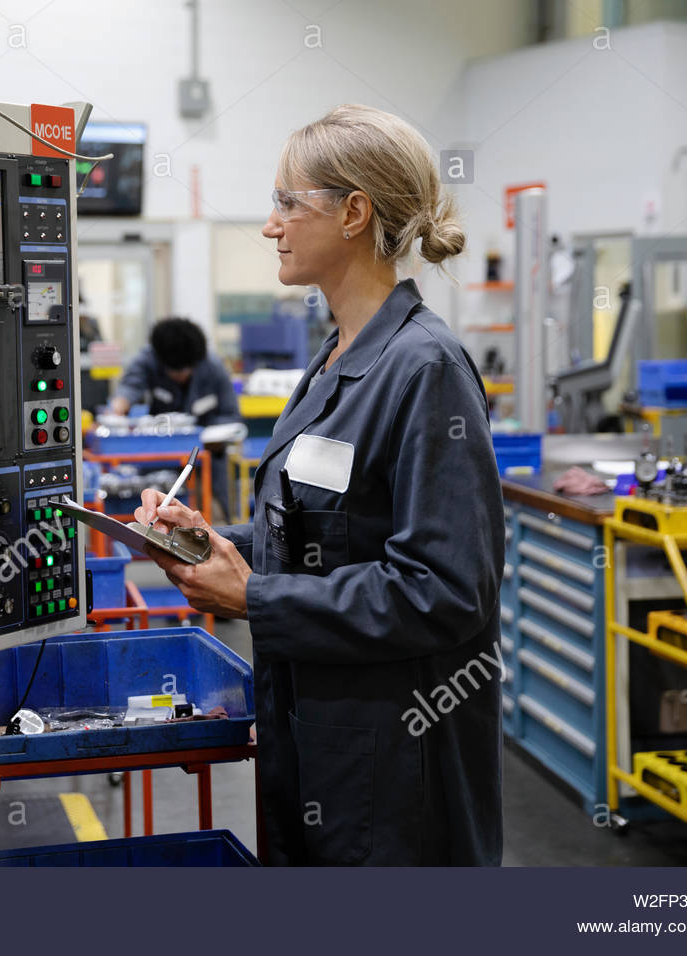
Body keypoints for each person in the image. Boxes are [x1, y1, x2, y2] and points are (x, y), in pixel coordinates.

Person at [136, 104, 505, 865]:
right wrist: (210, 540)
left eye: (286, 202)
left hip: (393, 767)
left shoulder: (424, 370)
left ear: (353, 214)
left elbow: (447, 589)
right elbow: (322, 531)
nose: (270, 226)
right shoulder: (336, 357)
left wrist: (254, 598)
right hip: (316, 737)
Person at [111, 317, 241, 519]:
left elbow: (231, 415)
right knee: (155, 509)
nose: (179, 375)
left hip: (205, 456)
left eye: (184, 370)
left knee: (212, 514)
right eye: (173, 370)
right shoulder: (149, 359)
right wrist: (118, 408)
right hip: (160, 452)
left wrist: (211, 438)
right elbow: (130, 386)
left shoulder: (213, 368)